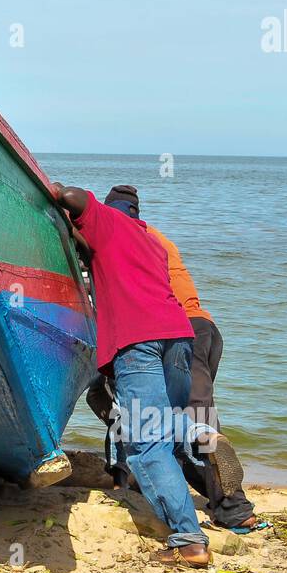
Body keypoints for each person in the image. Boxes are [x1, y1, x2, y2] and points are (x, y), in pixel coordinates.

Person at [51, 182, 242, 568]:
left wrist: (48, 190)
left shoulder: (108, 221)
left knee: (145, 443)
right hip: (178, 337)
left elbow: (71, 196)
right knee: (158, 426)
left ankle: (189, 542)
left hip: (138, 341)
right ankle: (197, 433)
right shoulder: (151, 241)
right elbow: (104, 261)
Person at [103, 186, 268, 534]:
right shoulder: (157, 238)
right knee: (181, 417)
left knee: (191, 418)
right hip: (202, 328)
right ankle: (195, 484)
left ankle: (234, 508)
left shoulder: (122, 237)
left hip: (175, 330)